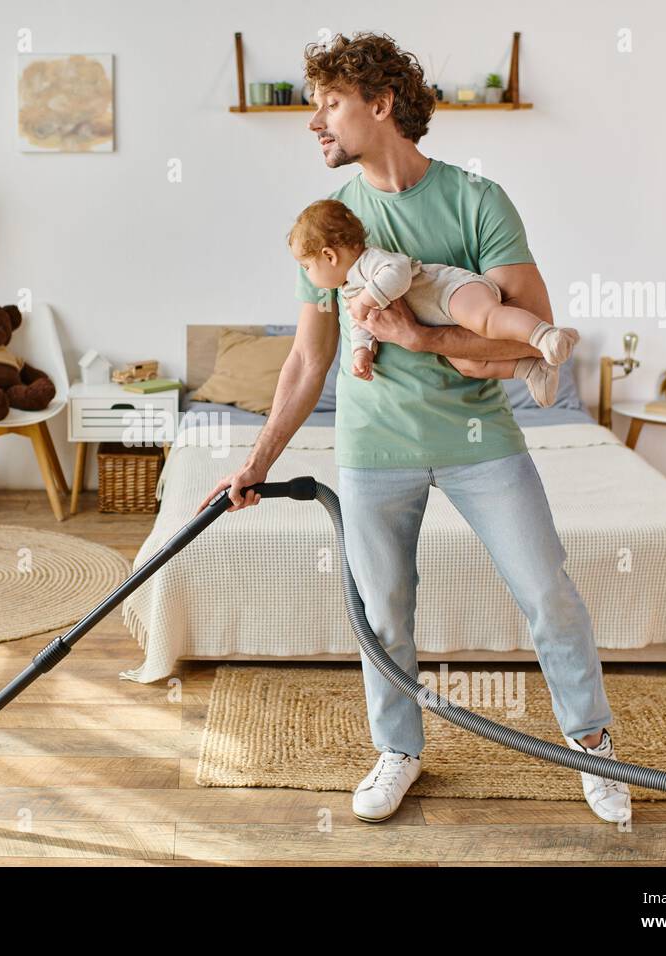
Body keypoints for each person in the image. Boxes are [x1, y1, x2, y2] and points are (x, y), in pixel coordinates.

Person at [197, 32, 630, 826]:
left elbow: (530, 337)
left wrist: (425, 339)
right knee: (384, 609)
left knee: (548, 592)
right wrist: (255, 461)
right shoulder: (327, 225)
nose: (313, 121)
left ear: (381, 104)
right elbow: (306, 359)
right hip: (374, 451)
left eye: (329, 103)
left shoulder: (475, 201)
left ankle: (592, 744)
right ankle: (398, 748)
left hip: (480, 443)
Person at [288, 197, 576, 402]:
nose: (307, 275)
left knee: (486, 319)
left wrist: (367, 298)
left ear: (329, 256)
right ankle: (531, 368)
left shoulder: (368, 261)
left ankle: (544, 335)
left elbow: (398, 274)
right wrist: (362, 352)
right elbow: (362, 324)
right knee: (469, 365)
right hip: (438, 319)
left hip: (450, 291)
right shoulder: (349, 290)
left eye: (306, 267)